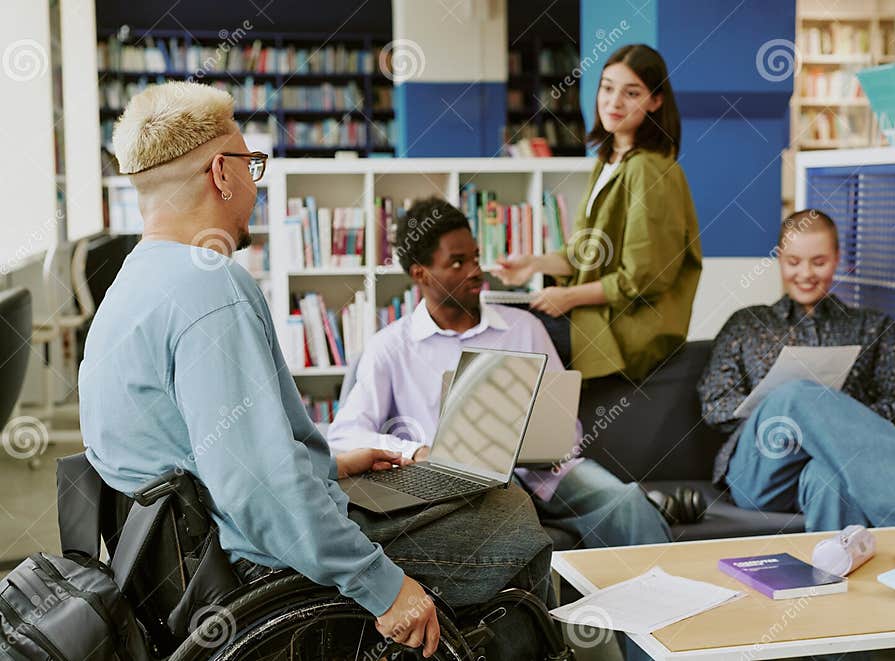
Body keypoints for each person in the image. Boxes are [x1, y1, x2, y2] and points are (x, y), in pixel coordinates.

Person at [78, 81, 554, 658]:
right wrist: (385, 589)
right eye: (251, 166)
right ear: (221, 175)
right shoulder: (211, 286)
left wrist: (329, 463)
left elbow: (210, 453)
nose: (255, 187)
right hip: (253, 569)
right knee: (511, 514)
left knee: (431, 492)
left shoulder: (128, 286)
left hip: (179, 570)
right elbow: (259, 493)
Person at [327, 197, 672, 551]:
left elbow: (564, 424)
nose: (475, 271)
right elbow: (345, 435)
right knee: (511, 514)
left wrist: (549, 445)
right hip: (462, 484)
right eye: (457, 263)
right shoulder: (391, 347)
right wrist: (416, 451)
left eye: (475, 258)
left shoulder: (525, 327)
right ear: (421, 273)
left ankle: (663, 600)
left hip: (544, 473)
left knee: (627, 503)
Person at [697, 209, 895, 532]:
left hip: (839, 466)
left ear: (837, 259)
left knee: (830, 480)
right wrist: (797, 409)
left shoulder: (871, 326)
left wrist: (836, 419)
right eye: (794, 262)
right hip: (763, 469)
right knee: (796, 396)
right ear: (780, 259)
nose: (806, 273)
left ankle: (836, 577)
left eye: (818, 262)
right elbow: (714, 406)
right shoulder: (746, 324)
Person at [494, 44, 702, 381]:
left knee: (502, 332)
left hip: (625, 331)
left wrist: (569, 296)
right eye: (607, 88)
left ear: (656, 101)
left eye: (631, 93)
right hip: (596, 316)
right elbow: (585, 254)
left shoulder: (650, 169)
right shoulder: (608, 161)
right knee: (491, 320)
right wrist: (534, 264)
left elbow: (640, 279)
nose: (614, 102)